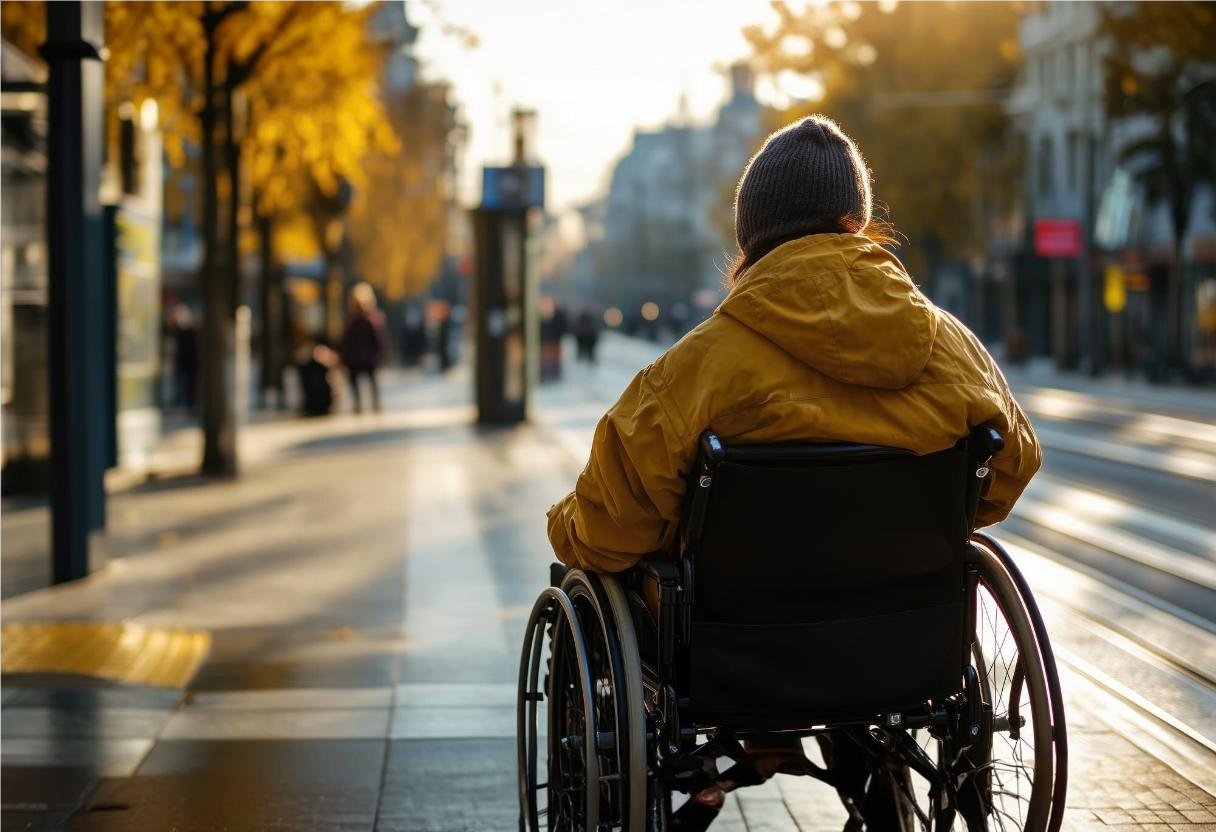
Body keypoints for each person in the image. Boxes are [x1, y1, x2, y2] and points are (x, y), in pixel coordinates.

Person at [545, 116, 1042, 828]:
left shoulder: (696, 368)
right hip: (905, 647)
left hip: (732, 656)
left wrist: (561, 527)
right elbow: (1009, 469)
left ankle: (715, 770)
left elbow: (609, 526)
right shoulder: (951, 347)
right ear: (857, 221)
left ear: (751, 237)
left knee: (604, 567)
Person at [340, 282, 387, 413]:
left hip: (357, 358)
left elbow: (345, 341)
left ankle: (361, 405)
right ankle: (373, 405)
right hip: (367, 358)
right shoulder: (372, 319)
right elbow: (379, 341)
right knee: (370, 383)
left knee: (361, 384)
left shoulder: (352, 320)